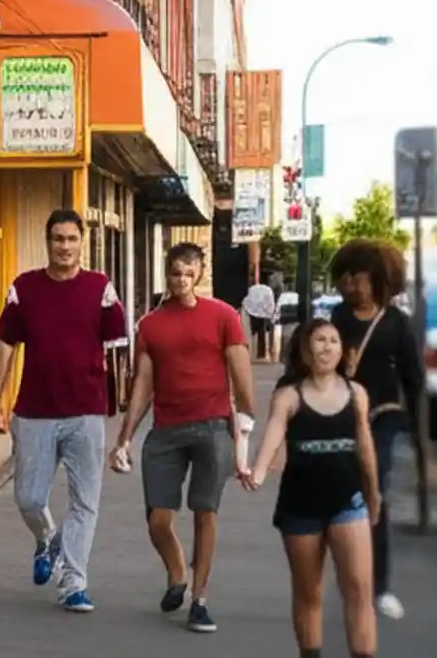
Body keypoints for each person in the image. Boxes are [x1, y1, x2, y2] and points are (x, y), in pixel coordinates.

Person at [0, 208, 128, 613]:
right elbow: (4, 347)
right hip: (34, 411)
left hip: (85, 411)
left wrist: (120, 412)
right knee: (29, 498)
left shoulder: (100, 287)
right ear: (47, 242)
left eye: (71, 239)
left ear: (82, 242)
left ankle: (74, 583)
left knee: (86, 502)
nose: (65, 246)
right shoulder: (24, 288)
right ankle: (48, 539)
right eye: (57, 239)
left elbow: (117, 347)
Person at [110, 242, 255, 633]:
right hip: (166, 430)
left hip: (212, 427)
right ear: (167, 274)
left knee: (205, 512)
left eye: (190, 274)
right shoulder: (151, 325)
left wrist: (244, 435)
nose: (182, 281)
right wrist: (124, 438)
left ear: (200, 274)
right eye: (176, 273)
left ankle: (199, 599)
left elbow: (242, 378)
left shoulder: (224, 316)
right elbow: (142, 383)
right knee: (158, 518)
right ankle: (178, 574)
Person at [245, 320, 381, 658]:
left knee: (359, 590)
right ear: (306, 349)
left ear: (342, 350)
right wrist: (258, 471)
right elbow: (274, 433)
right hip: (300, 507)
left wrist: (373, 492)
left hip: (349, 503)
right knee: (309, 593)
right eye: (319, 340)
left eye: (334, 340)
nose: (326, 347)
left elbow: (365, 447)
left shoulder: (356, 394)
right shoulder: (289, 396)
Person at [327, 239, 423, 620]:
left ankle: (379, 587)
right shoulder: (336, 318)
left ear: (378, 279)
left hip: (382, 417)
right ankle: (347, 575)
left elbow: (413, 376)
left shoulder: (396, 323)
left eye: (356, 275)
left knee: (374, 495)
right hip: (338, 417)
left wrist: (417, 430)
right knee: (338, 500)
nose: (348, 283)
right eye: (343, 276)